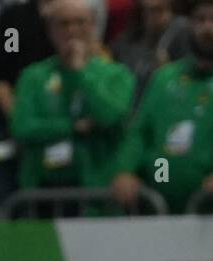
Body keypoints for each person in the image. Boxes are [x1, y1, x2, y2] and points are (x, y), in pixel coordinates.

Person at [11, 0, 135, 192]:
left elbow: (110, 117)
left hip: (96, 186)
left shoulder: (116, 75)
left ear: (93, 27)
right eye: (63, 24)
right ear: (50, 30)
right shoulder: (33, 76)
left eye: (80, 22)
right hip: (42, 188)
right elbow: (21, 127)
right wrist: (71, 127)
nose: (72, 30)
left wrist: (80, 73)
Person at [111, 0, 213, 215]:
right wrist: (125, 169)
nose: (207, 28)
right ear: (189, 24)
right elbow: (140, 130)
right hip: (158, 206)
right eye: (201, 20)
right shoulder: (164, 77)